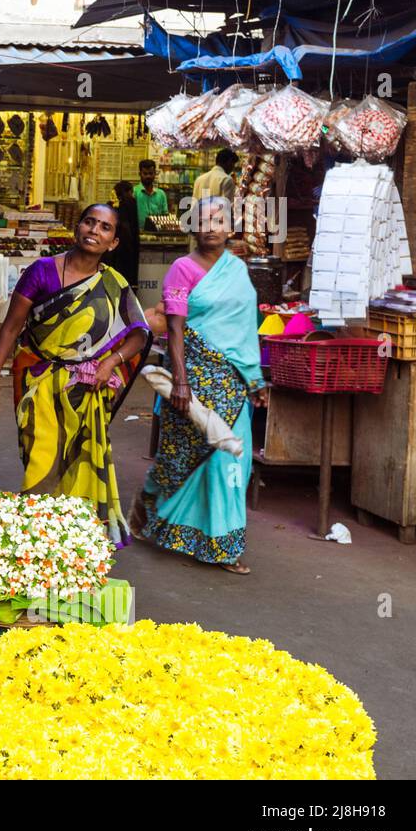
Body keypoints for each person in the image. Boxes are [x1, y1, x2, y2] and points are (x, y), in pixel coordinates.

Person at [0, 203, 150, 548]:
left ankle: (70, 539)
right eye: (89, 222)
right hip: (36, 379)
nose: (94, 231)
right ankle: (36, 535)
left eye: (105, 228)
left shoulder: (114, 285)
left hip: (85, 388)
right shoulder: (41, 271)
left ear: (113, 243)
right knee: (40, 454)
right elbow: (11, 328)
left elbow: (139, 334)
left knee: (78, 458)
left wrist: (109, 363)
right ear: (77, 227)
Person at [131, 197, 268, 574]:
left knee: (229, 460)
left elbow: (245, 327)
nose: (211, 226)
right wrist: (181, 381)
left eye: (218, 220)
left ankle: (224, 546)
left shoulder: (238, 270)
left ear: (230, 227)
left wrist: (255, 378)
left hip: (234, 384)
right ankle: (147, 508)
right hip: (192, 378)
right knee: (177, 459)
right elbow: (174, 327)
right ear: (192, 227)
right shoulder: (181, 269)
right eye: (203, 220)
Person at [104, 179, 140, 287]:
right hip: (127, 248)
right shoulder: (131, 202)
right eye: (131, 192)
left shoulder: (110, 204)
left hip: (112, 248)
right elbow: (134, 226)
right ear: (128, 192)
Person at [133, 159, 168, 229]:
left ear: (155, 173)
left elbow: (165, 215)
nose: (148, 176)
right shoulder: (134, 192)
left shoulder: (161, 194)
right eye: (145, 173)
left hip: (157, 234)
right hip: (138, 234)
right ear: (140, 174)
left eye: (150, 173)